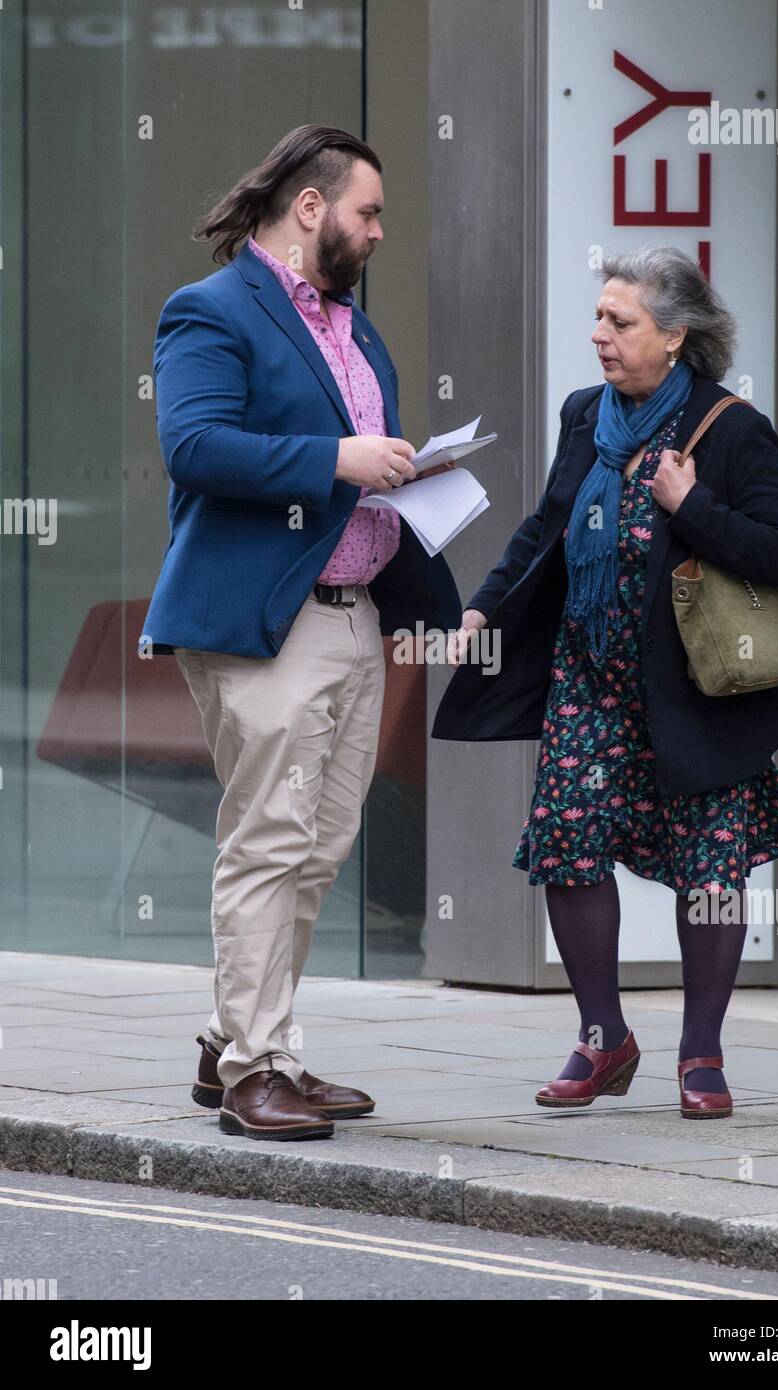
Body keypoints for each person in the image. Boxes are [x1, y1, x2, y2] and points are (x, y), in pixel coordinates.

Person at [433, 246, 778, 1119]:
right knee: (568, 843)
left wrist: (693, 508)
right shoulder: (584, 417)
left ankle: (702, 1054)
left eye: (620, 321)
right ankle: (603, 1038)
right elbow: (547, 528)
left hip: (697, 688)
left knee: (710, 866)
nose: (598, 335)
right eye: (599, 317)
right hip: (589, 678)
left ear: (675, 336)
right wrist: (483, 610)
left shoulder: (730, 428)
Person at [141, 125, 461, 1141]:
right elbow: (194, 445)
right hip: (267, 620)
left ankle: (239, 1035)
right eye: (367, 212)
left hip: (355, 615)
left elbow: (365, 469)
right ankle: (254, 1071)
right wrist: (338, 459)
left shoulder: (355, 333)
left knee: (318, 847)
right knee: (269, 840)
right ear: (312, 207)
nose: (377, 232)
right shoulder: (212, 309)